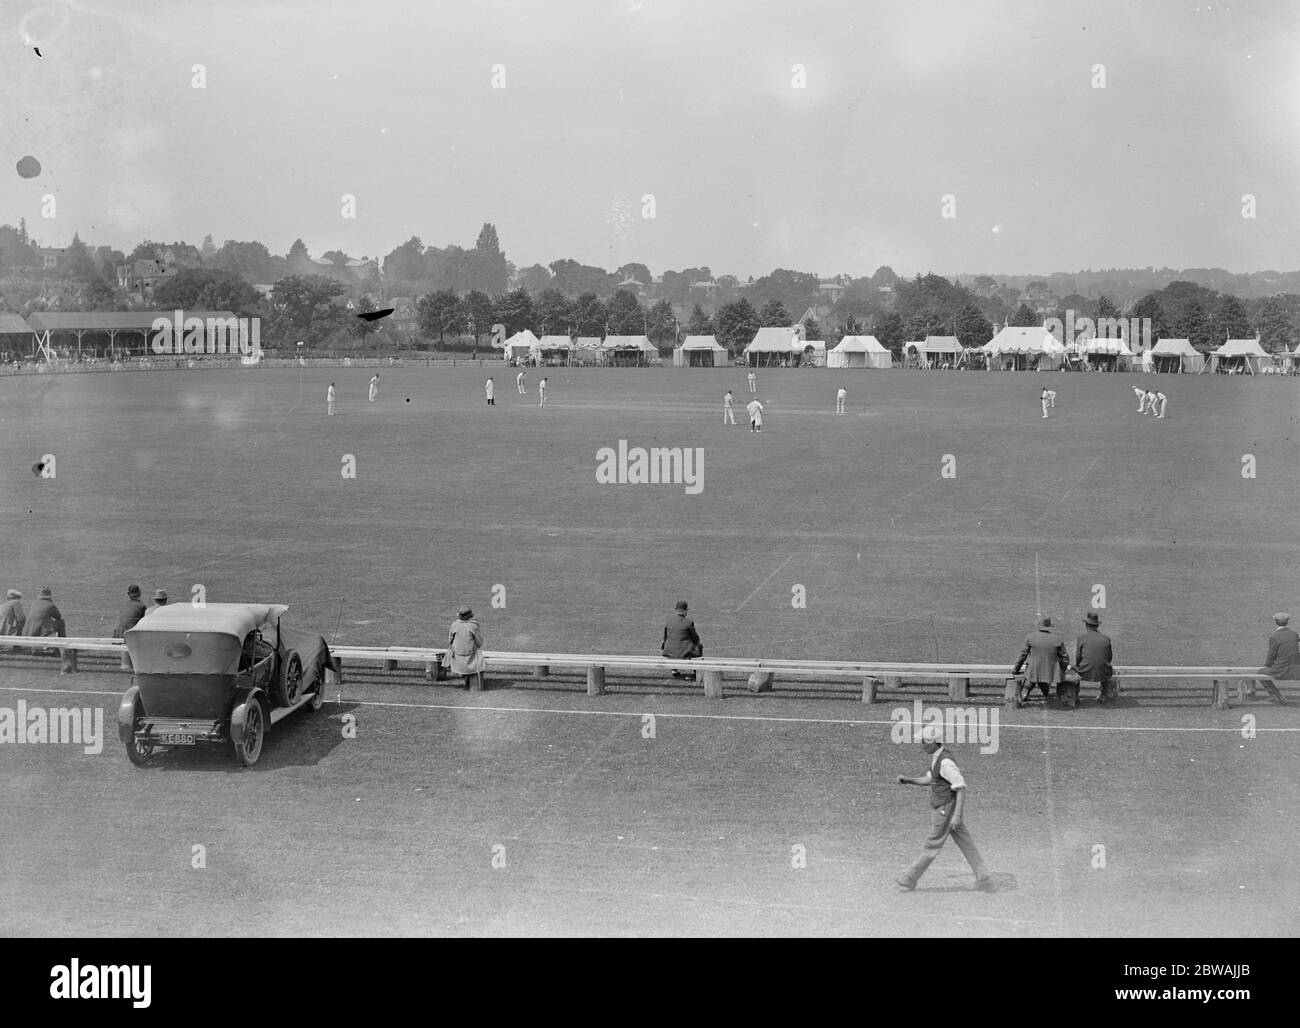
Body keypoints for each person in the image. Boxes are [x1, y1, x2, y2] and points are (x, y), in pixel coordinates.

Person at [895, 723, 993, 892]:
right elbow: (930, 779)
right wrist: (909, 780)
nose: (921, 745)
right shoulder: (936, 757)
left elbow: (960, 787)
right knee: (966, 842)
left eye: (924, 741)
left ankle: (909, 878)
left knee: (933, 843)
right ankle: (983, 877)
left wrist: (957, 816)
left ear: (934, 742)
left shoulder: (945, 762)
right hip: (944, 807)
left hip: (945, 809)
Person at [1011, 614, 1070, 705]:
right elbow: (1065, 658)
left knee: (1034, 673)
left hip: (1033, 671)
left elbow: (1022, 655)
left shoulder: (1030, 637)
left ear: (1039, 624)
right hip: (1051, 672)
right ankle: (1046, 692)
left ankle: (1025, 691)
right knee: (1040, 677)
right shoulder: (1057, 639)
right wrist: (1062, 669)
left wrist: (1016, 670)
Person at [26, 585, 75, 673]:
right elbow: (58, 616)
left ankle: (40, 648)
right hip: (41, 632)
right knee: (61, 622)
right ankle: (62, 643)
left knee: (44, 622)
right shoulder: (49, 605)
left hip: (30, 631)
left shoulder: (34, 603)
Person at [1075, 611, 1117, 705]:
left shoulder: (1081, 638)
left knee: (1073, 670)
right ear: (1097, 625)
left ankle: (1075, 696)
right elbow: (1109, 658)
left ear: (1086, 625)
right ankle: (1103, 695)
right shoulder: (1106, 639)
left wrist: (1079, 666)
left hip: (1085, 672)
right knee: (1104, 667)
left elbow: (1078, 658)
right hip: (1104, 672)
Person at [1255, 612, 1296, 704]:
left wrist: (1267, 666)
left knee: (1260, 673)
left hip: (1282, 670)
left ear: (1276, 622)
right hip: (1295, 669)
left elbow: (1271, 656)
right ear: (1287, 622)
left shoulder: (1275, 637)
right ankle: (1278, 697)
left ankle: (1277, 697)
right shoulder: (1294, 634)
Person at [446, 605, 486, 689]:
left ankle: (466, 676)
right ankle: (470, 677)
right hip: (470, 655)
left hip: (456, 655)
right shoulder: (473, 625)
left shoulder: (454, 624)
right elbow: (479, 642)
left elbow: (450, 640)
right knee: (479, 656)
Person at [661, 600, 703, 679]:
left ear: (676, 610)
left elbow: (665, 637)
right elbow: (696, 639)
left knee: (675, 648)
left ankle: (674, 670)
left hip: (668, 651)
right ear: (685, 611)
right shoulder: (689, 622)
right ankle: (696, 671)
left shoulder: (669, 621)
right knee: (699, 647)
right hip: (683, 652)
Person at [114, 584, 147, 670]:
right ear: (139, 593)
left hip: (118, 632)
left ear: (128, 594)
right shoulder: (141, 606)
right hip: (128, 633)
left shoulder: (124, 605)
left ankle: (125, 664)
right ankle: (127, 665)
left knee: (127, 641)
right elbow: (143, 621)